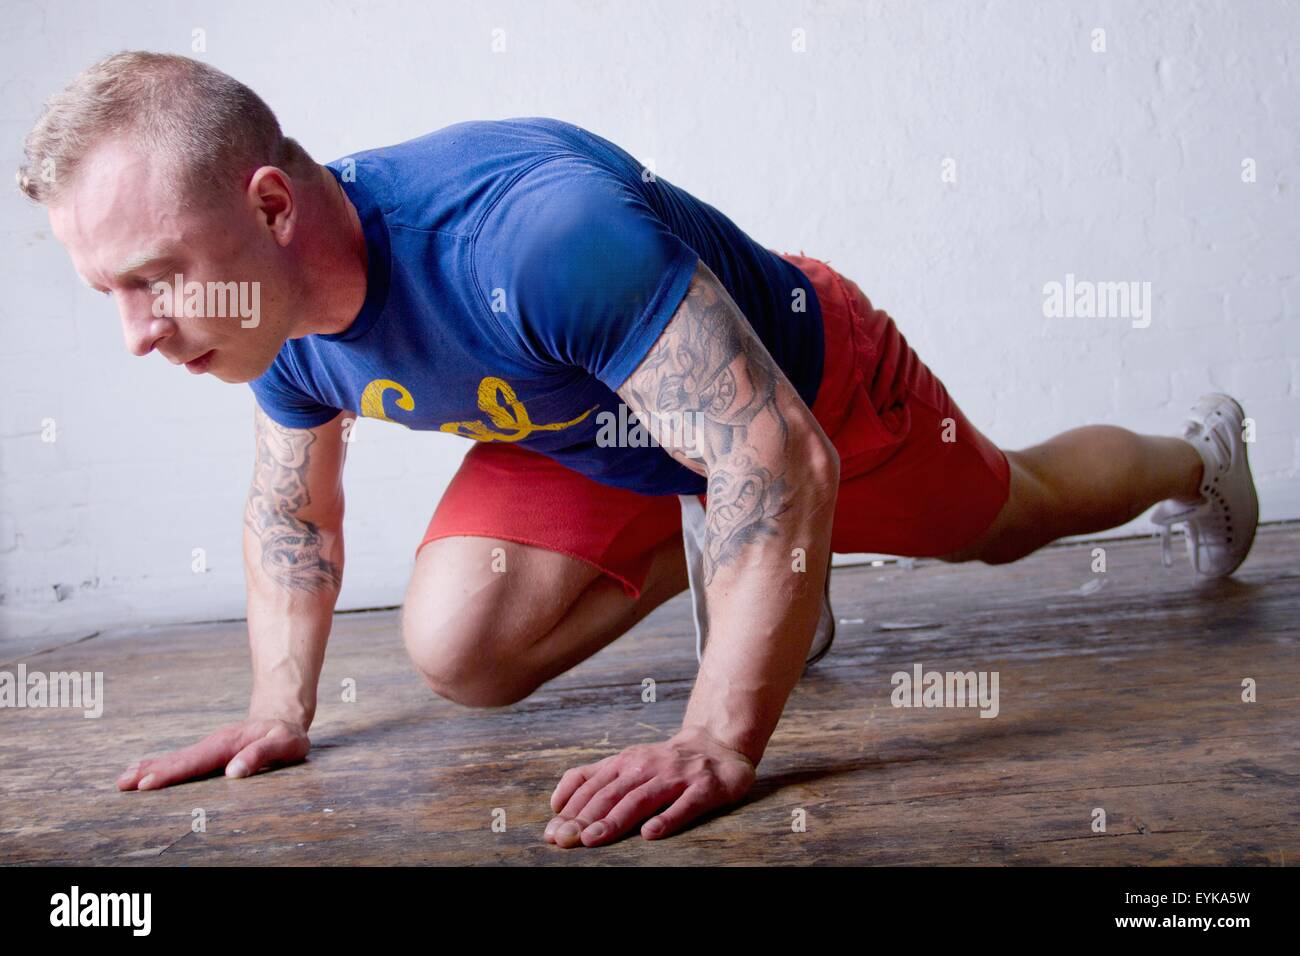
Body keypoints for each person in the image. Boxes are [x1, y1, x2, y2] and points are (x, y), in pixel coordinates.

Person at [17, 52, 1258, 850]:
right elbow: (292, 513)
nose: (136, 334)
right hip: (584, 427)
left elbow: (780, 457)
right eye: (106, 294)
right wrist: (276, 710)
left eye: (153, 278)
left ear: (271, 206)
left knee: (1011, 517)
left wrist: (718, 738)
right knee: (460, 648)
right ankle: (754, 570)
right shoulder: (265, 319)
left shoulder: (535, 236)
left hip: (796, 397)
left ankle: (1196, 454)